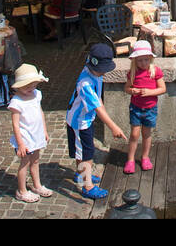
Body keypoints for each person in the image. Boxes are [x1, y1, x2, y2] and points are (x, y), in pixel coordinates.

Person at [66, 42, 124, 200]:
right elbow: (97, 107)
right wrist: (113, 127)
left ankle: (82, 175)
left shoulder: (94, 73)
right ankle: (87, 186)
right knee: (87, 154)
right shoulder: (85, 83)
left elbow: (98, 101)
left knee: (82, 150)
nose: (104, 72)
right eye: (103, 69)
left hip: (84, 119)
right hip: (80, 122)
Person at [8, 64, 53, 203]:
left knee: (36, 160)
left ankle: (37, 185)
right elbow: (15, 124)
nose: (31, 89)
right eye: (27, 86)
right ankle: (22, 191)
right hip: (25, 138)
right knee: (25, 163)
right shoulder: (16, 102)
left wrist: (44, 130)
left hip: (36, 134)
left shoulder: (36, 94)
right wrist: (20, 144)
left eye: (33, 86)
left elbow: (40, 113)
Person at [123, 40, 166, 173]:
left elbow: (162, 88)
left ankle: (145, 157)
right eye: (140, 60)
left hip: (150, 108)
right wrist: (132, 90)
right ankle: (130, 159)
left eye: (146, 60)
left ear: (151, 59)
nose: (143, 63)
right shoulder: (133, 72)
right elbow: (126, 88)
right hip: (135, 108)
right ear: (135, 60)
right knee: (134, 134)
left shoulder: (155, 71)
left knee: (146, 134)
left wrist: (150, 92)